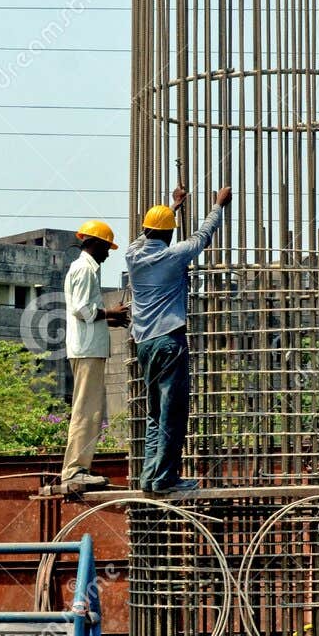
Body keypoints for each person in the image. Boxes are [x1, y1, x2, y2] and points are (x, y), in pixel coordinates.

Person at [126, 183, 232, 497]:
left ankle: (150, 477)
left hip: (144, 344)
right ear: (169, 234)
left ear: (145, 229)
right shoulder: (173, 255)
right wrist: (218, 205)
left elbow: (149, 233)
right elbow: (203, 236)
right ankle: (165, 480)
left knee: (155, 413)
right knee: (173, 412)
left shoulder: (133, 255)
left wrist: (173, 207)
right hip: (170, 342)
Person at [59, 220, 128, 496]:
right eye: (107, 248)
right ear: (96, 243)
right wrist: (110, 313)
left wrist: (108, 320)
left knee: (91, 410)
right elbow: (83, 310)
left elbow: (86, 314)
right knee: (86, 411)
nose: (109, 254)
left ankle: (79, 467)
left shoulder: (84, 269)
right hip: (87, 351)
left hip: (88, 348)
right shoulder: (85, 269)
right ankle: (75, 470)